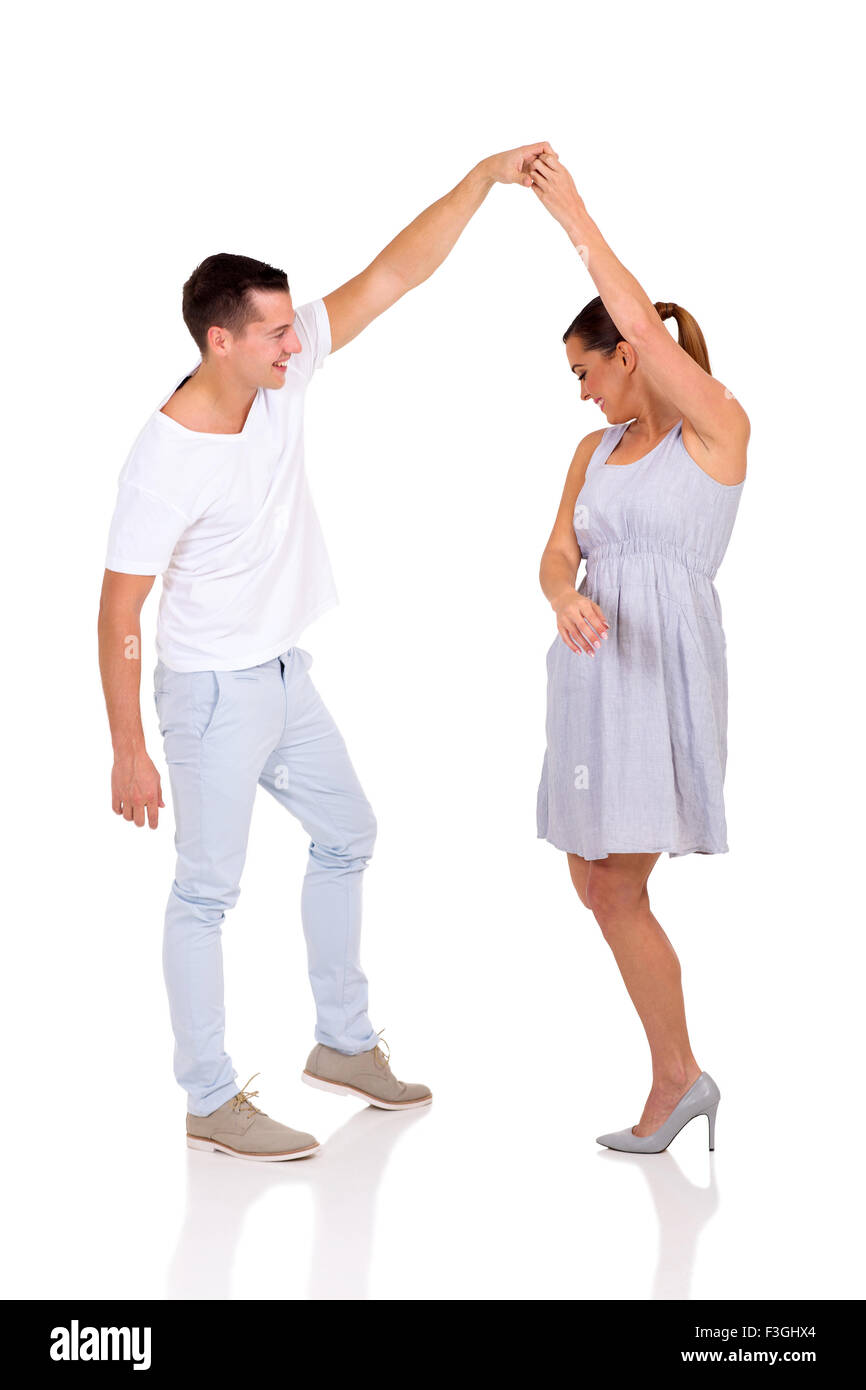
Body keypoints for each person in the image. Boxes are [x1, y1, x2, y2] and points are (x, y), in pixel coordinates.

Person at [97, 143, 555, 1163]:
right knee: (206, 893)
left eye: (288, 326)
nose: (291, 344)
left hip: (283, 677)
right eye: (270, 333)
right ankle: (209, 1099)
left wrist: (480, 182)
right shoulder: (164, 460)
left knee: (348, 833)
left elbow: (393, 274)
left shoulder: (281, 377)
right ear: (220, 341)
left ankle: (341, 1043)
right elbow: (117, 612)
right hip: (209, 697)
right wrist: (130, 745)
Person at [529, 152, 748, 1154]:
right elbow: (552, 554)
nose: (579, 394)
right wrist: (563, 594)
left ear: (630, 353)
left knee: (615, 883)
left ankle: (676, 1079)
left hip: (659, 675)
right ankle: (677, 1074)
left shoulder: (713, 428)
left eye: (586, 369)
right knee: (591, 878)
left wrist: (571, 212)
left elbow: (626, 306)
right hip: (588, 682)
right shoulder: (589, 452)